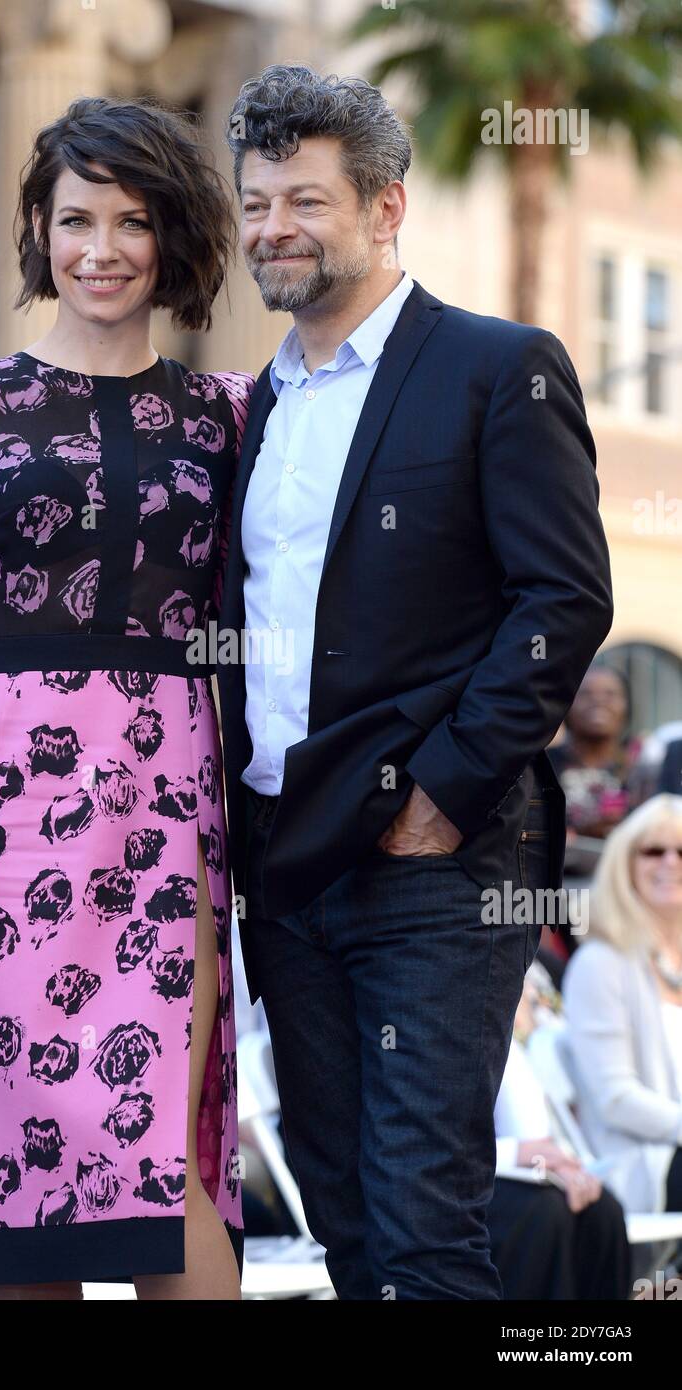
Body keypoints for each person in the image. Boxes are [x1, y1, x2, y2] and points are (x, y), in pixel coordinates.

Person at [217, 64, 614, 1300]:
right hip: (286, 861)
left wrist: (441, 789)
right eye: (256, 203)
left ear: (387, 209)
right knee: (343, 1210)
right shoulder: (253, 406)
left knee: (423, 1213)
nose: (273, 228)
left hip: (439, 861)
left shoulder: (499, 368)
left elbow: (563, 600)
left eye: (306, 201)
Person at [0, 97, 255, 1301]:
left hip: (171, 807)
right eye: (75, 217)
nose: (101, 248)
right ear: (38, 228)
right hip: (8, 810)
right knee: (17, 1168)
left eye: (132, 221)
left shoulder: (232, 412)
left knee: (157, 1146)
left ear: (172, 238)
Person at [563, 795, 682, 1246]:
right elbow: (614, 1097)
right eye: (654, 850)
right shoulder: (601, 963)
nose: (670, 862)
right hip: (643, 1162)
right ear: (624, 863)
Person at [486, 964, 631, 1300]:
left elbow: (529, 1127)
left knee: (602, 1211)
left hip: (506, 1170)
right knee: (544, 1212)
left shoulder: (513, 985)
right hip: (443, 1180)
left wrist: (557, 1163)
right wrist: (518, 1153)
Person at [548, 663, 642, 883]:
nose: (598, 701)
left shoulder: (643, 766)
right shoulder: (541, 765)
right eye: (586, 693)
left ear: (627, 706)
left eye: (610, 694)